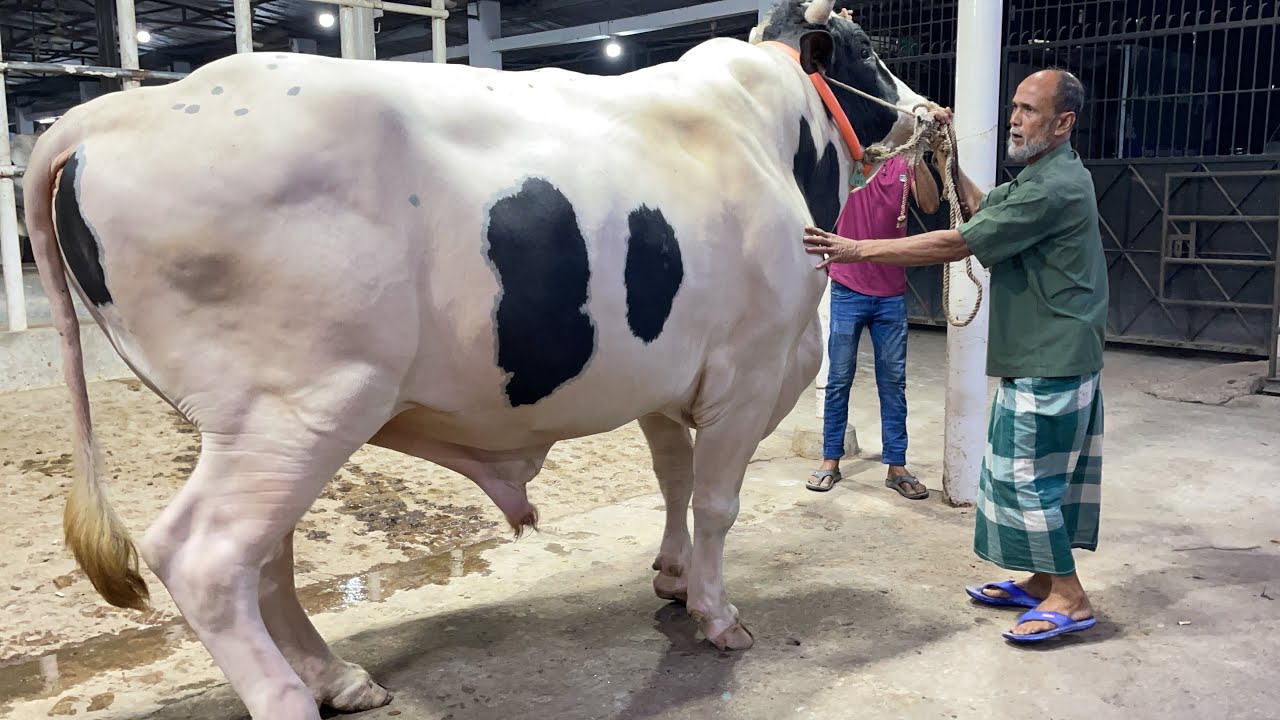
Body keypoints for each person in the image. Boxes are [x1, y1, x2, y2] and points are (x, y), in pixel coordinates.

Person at [801, 69, 1108, 644]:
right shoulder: (1043, 173)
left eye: (1030, 111)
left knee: (1025, 476)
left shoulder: (1053, 185)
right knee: (1031, 471)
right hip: (1046, 348)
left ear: (1064, 123)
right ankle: (1044, 580)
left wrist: (854, 249)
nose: (1015, 119)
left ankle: (1070, 595)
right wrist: (946, 159)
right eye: (1014, 106)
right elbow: (982, 206)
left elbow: (958, 240)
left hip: (1054, 351)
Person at [806, 149, 939, 500]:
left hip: (891, 294)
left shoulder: (905, 164)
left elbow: (929, 205)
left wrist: (919, 156)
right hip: (847, 288)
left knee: (893, 382)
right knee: (838, 380)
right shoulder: (852, 159)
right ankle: (830, 459)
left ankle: (896, 465)